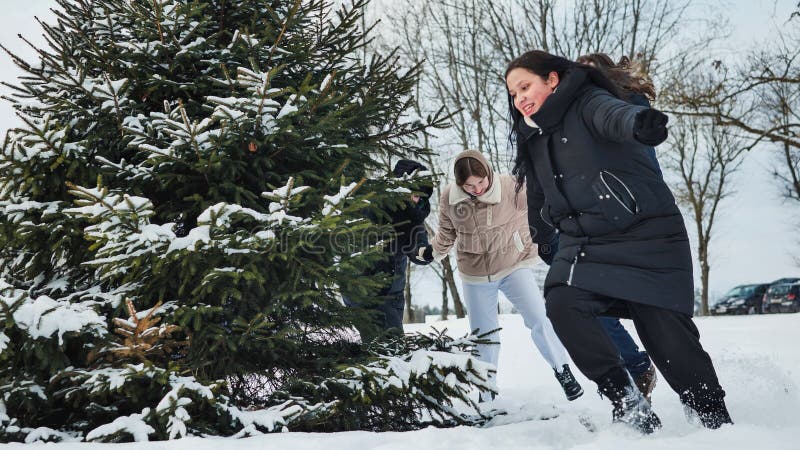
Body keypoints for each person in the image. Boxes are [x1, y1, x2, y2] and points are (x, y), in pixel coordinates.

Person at [504, 50, 732, 433]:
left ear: (553, 80)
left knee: (669, 342)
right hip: (589, 243)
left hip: (646, 236)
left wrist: (640, 123)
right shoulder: (535, 136)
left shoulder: (589, 102)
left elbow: (615, 116)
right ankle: (627, 402)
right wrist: (543, 237)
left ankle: (715, 421)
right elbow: (539, 197)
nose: (519, 98)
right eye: (513, 93)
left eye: (525, 87)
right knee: (562, 302)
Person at [415, 150, 583, 402]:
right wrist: (432, 252)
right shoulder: (450, 197)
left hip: (512, 265)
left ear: (488, 173)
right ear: (460, 184)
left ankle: (563, 370)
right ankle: (486, 393)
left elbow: (543, 202)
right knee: (485, 336)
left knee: (539, 317)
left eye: (481, 182)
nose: (477, 189)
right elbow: (447, 234)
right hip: (475, 275)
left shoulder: (510, 186)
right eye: (469, 186)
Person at [574, 52, 661, 401]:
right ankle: (637, 370)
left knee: (653, 314)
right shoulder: (578, 117)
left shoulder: (630, 105)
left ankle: (697, 392)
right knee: (585, 304)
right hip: (597, 227)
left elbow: (647, 167)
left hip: (638, 223)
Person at [344, 159, 432, 342]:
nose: (415, 200)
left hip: (394, 294)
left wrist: (425, 253)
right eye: (412, 194)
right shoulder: (372, 204)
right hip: (366, 291)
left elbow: (416, 244)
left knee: (387, 349)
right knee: (389, 348)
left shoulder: (413, 216)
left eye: (419, 196)